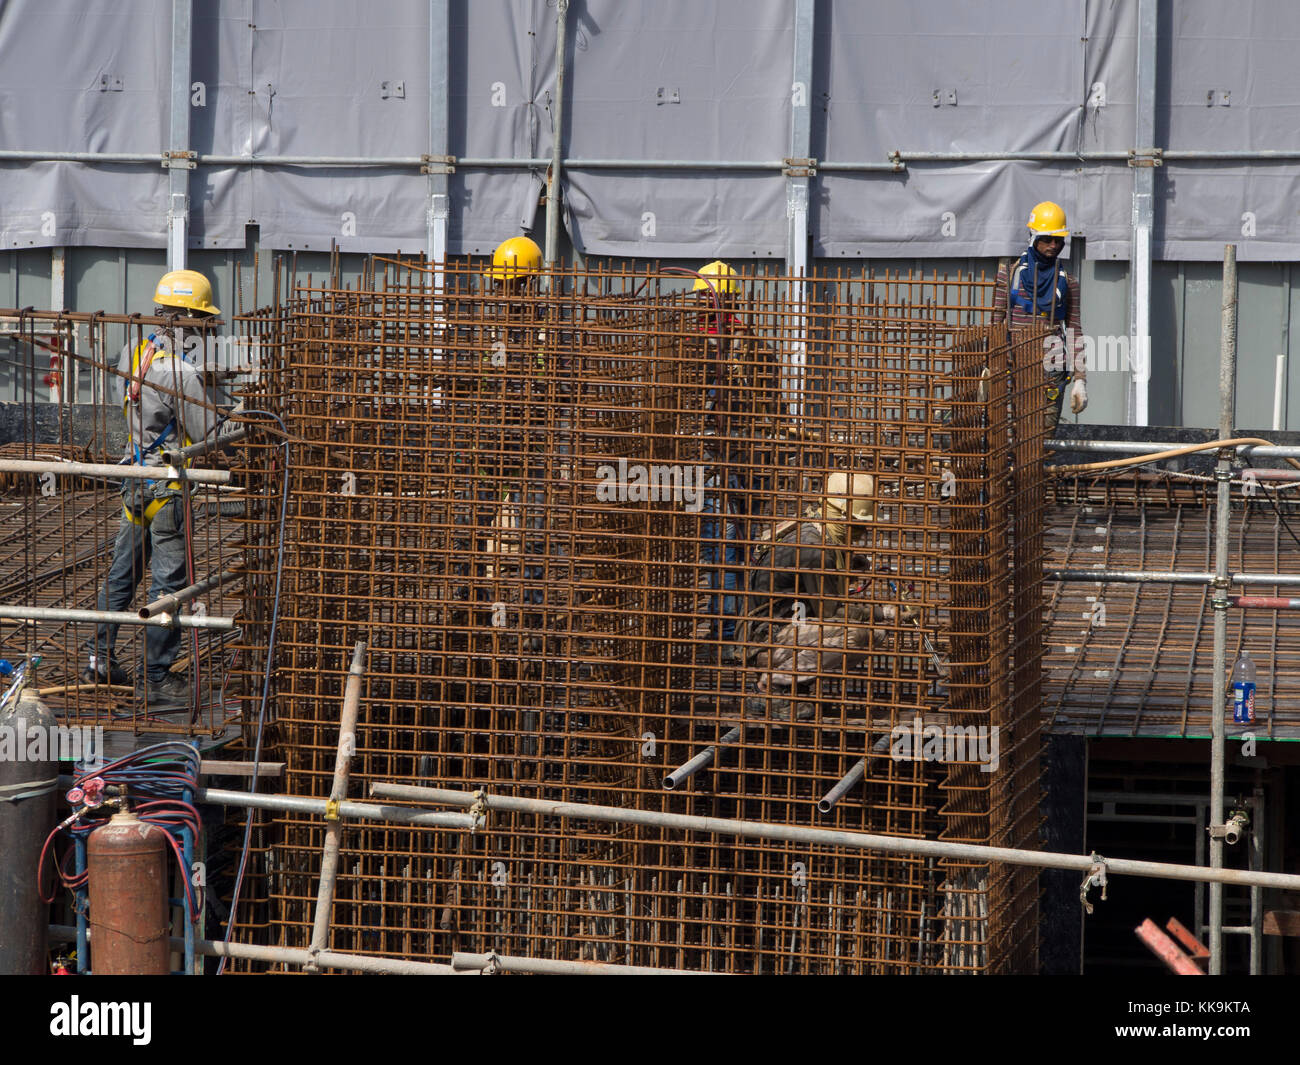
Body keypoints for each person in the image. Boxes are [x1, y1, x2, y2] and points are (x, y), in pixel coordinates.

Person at [82, 270, 239, 707]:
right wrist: (240, 417)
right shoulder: (181, 371)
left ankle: (99, 657)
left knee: (122, 574)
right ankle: (157, 675)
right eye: (202, 319)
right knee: (168, 584)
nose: (205, 326)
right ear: (188, 316)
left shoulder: (133, 353)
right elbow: (208, 433)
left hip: (134, 480)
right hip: (168, 487)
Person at [741, 471, 910, 720]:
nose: (862, 531)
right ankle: (771, 688)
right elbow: (831, 610)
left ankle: (793, 686)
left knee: (874, 633)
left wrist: (849, 564)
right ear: (841, 514)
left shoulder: (814, 528)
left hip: (786, 623)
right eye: (858, 524)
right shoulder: (814, 548)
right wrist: (882, 612)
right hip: (766, 636)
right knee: (859, 634)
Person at [688, 260, 779, 655]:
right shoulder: (743, 342)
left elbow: (771, 407)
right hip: (731, 456)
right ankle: (736, 628)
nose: (699, 305)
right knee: (734, 543)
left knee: (729, 543)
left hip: (729, 456)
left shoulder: (738, 345)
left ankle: (730, 632)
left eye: (705, 297)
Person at [991, 201, 1087, 433]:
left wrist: (1080, 379)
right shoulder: (1009, 275)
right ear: (1033, 237)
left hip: (1051, 369)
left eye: (1058, 240)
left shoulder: (1068, 282)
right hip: (1013, 366)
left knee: (1042, 435)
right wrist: (989, 367)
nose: (1053, 245)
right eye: (1047, 239)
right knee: (1010, 433)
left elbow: (1074, 329)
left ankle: (1038, 469)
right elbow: (995, 323)